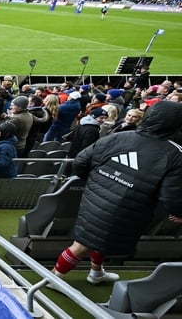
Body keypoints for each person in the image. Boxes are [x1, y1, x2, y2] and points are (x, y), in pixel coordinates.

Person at [50, 101, 182, 287]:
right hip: (126, 207)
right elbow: (172, 198)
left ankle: (96, 272)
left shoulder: (118, 137)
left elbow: (80, 162)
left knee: (97, 239)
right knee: (82, 245)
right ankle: (54, 277)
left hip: (99, 198)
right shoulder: (174, 155)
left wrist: (96, 181)